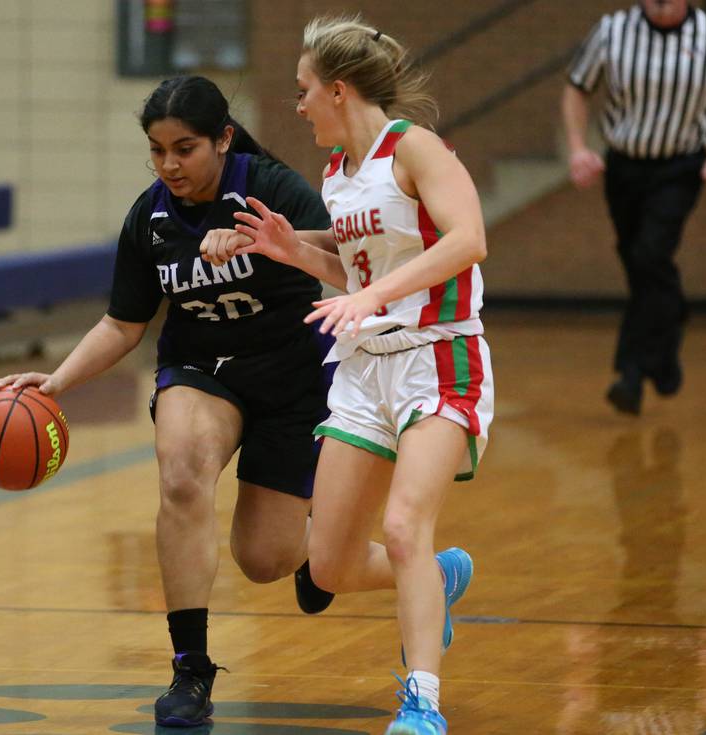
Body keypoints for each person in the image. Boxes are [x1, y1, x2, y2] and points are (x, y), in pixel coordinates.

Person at [0, 75, 338, 728]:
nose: (170, 164)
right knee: (180, 473)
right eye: (157, 150)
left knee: (263, 560)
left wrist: (274, 242)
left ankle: (319, 542)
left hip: (291, 378)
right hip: (202, 368)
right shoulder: (148, 219)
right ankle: (191, 667)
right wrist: (56, 382)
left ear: (223, 139)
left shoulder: (270, 187)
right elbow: (124, 324)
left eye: (185, 148)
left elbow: (352, 257)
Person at [223, 15, 494, 735]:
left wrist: (374, 295)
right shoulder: (339, 174)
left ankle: (421, 701)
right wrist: (295, 253)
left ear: (338, 90)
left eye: (305, 90)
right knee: (330, 563)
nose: (300, 104)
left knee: (405, 525)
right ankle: (437, 577)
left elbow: (470, 238)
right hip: (364, 368)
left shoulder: (416, 148)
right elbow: (358, 274)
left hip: (438, 357)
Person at [562, 0, 706, 415]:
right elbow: (577, 86)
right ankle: (671, 322)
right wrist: (577, 148)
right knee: (638, 263)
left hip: (680, 165)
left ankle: (631, 372)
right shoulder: (612, 30)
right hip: (624, 165)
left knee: (650, 255)